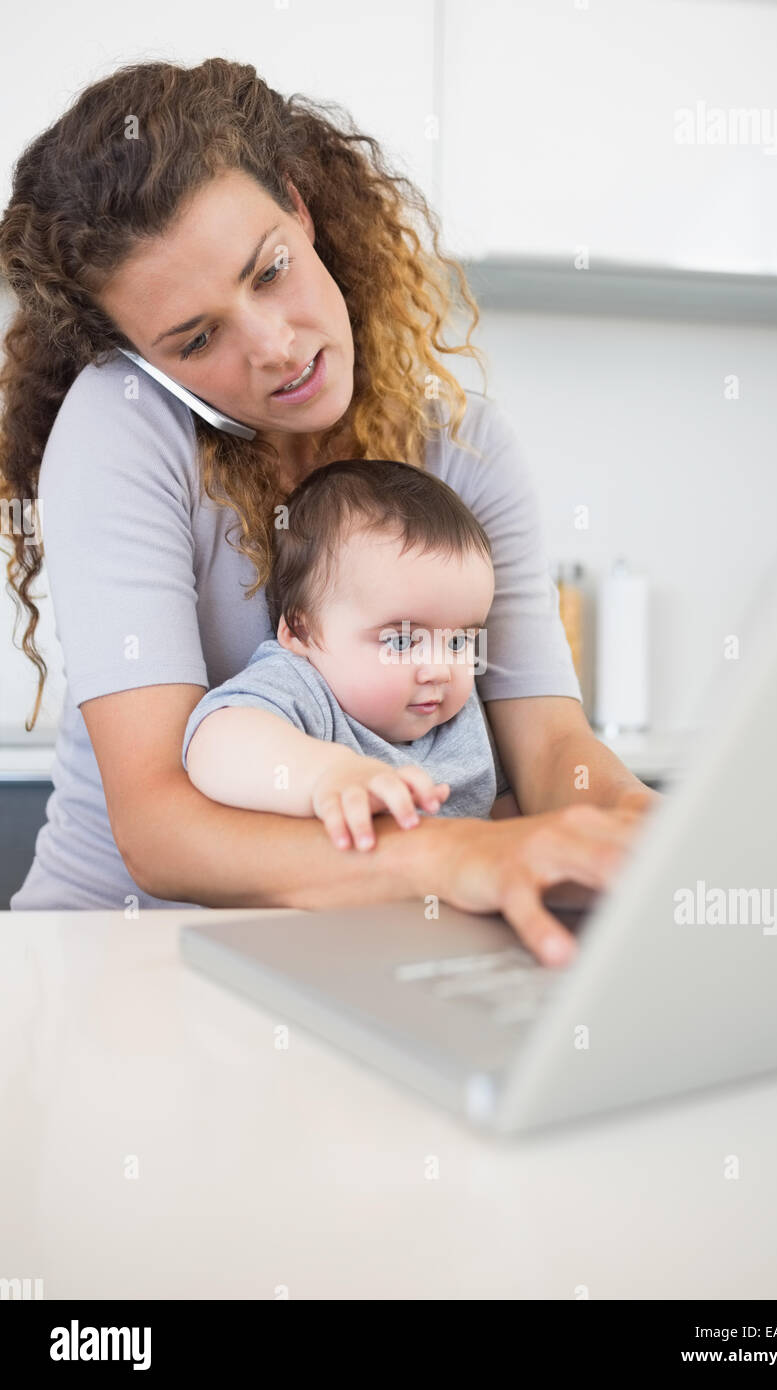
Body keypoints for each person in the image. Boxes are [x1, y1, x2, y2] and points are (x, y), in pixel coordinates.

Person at [0, 57, 660, 966]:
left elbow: (550, 746)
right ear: (141, 361)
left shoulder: (463, 446)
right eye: (197, 339)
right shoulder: (122, 430)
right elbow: (160, 826)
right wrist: (454, 855)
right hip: (110, 959)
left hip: (353, 951)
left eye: (270, 270)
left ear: (303, 212)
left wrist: (643, 827)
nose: (273, 346)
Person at [182, 458, 516, 848]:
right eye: (401, 641)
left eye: (459, 641)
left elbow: (507, 815)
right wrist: (327, 775)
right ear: (302, 631)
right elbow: (216, 743)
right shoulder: (304, 688)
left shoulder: (462, 713)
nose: (441, 669)